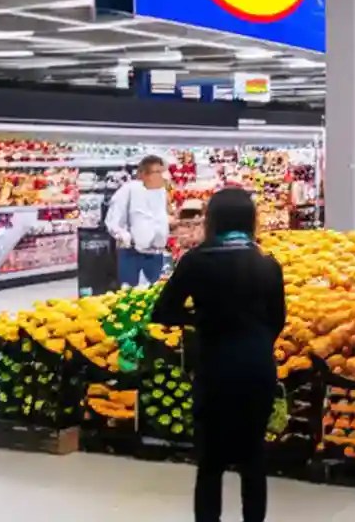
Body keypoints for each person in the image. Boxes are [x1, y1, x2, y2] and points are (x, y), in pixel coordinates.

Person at [151, 187, 285, 522]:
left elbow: (162, 312)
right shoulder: (268, 264)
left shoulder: (196, 261)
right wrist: (254, 337)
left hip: (214, 368)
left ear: (212, 220)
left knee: (210, 462)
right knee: (253, 459)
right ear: (250, 220)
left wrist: (199, 319)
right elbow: (277, 320)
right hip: (257, 368)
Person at [105, 154, 171, 288]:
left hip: (156, 254)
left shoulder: (161, 193)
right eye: (157, 172)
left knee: (154, 293)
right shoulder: (128, 190)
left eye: (162, 172)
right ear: (144, 174)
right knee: (131, 293)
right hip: (132, 254)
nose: (162, 176)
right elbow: (113, 220)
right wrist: (125, 237)